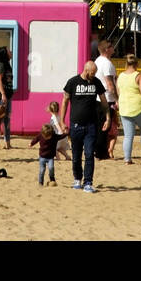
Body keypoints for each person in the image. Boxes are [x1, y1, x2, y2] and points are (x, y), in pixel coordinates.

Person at [62, 61, 109, 193]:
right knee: (76, 155)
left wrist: (108, 118)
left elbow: (104, 101)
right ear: (86, 70)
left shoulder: (96, 82)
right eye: (92, 74)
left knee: (89, 154)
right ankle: (77, 179)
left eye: (95, 74)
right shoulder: (73, 82)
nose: (93, 76)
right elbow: (65, 100)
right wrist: (62, 121)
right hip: (76, 125)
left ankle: (88, 182)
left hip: (91, 125)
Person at [117, 54, 141, 163]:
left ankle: (127, 158)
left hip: (124, 108)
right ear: (137, 64)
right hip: (138, 107)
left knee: (128, 136)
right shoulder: (139, 76)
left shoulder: (120, 76)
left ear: (126, 64)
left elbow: (119, 92)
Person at [0, 46, 13, 148]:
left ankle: (7, 142)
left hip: (8, 95)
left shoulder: (8, 65)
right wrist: (3, 94)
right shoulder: (0, 65)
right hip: (0, 96)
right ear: (4, 53)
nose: (11, 52)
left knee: (7, 119)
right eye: (9, 50)